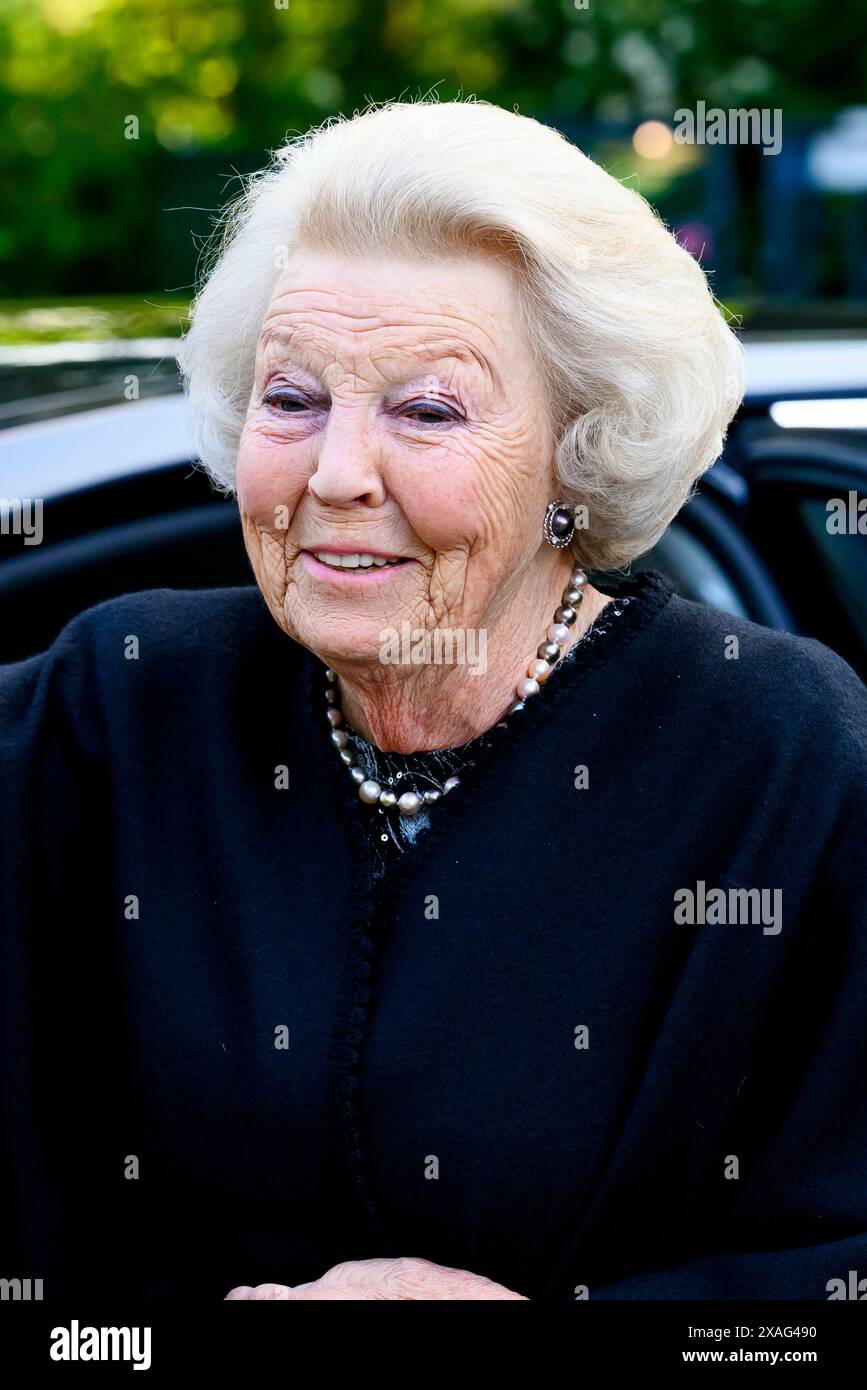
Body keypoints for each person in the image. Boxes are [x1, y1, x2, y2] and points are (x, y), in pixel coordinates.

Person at [2, 98, 865, 1302]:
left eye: (429, 411)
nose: (338, 474)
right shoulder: (116, 703)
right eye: (293, 399)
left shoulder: (786, 757)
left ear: (578, 449)